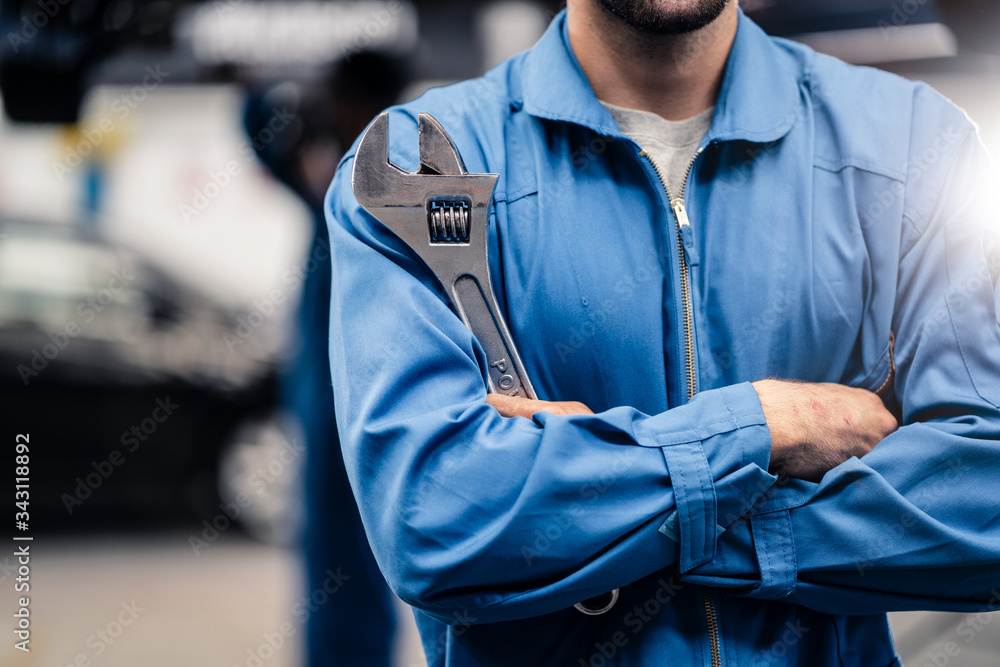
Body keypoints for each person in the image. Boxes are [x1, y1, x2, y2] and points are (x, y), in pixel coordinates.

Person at [324, 1, 1000, 664]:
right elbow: (436, 521)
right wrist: (767, 425)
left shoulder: (913, 144)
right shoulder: (439, 153)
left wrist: (614, 516)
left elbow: (984, 508)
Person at [243, 51, 409, 666]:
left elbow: (271, 149)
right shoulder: (343, 169)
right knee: (338, 548)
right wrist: (264, 98)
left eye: (337, 96)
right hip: (335, 391)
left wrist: (268, 100)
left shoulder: (371, 176)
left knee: (351, 548)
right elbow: (268, 147)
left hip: (353, 394)